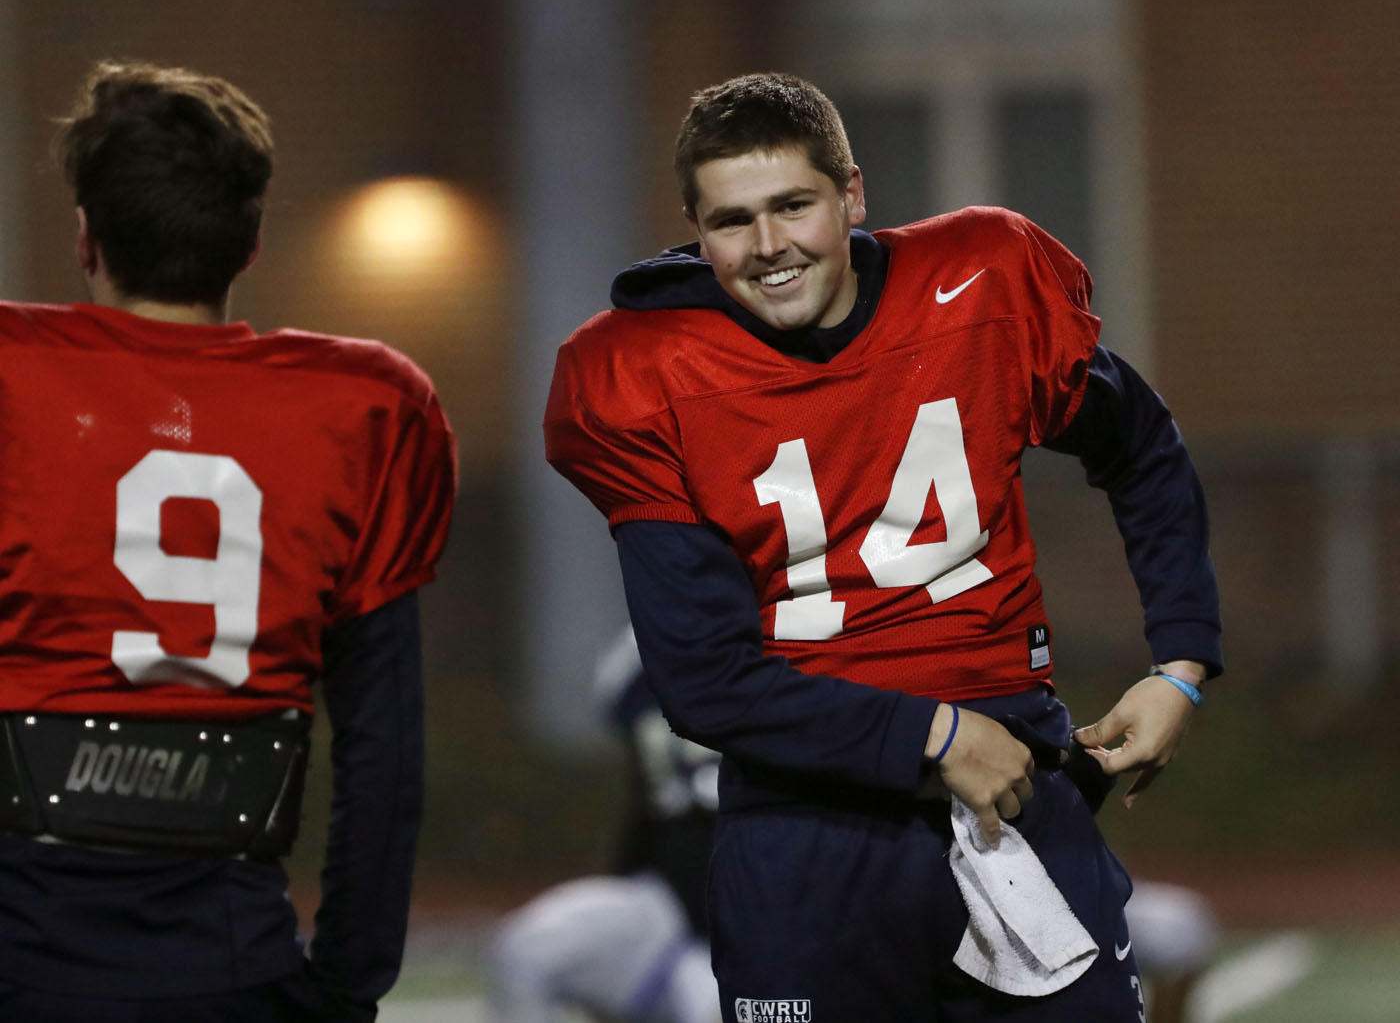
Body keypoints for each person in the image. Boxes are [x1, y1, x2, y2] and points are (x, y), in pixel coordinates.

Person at [545, 72, 1221, 1021]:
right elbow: (702, 681)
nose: (769, 246)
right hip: (806, 826)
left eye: (793, 205)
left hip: (1015, 789)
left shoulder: (981, 284)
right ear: (695, 230)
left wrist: (1179, 663)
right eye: (733, 220)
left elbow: (1143, 447)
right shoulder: (641, 371)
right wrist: (934, 735)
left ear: (852, 195)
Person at [0, 61, 456, 1021]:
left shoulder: (17, 382)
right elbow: (385, 755)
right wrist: (345, 990)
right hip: (230, 961)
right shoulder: (364, 409)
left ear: (86, 236)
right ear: (250, 242)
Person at [486, 625, 721, 1023]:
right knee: (525, 952)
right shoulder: (643, 657)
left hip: (763, 929)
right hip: (666, 910)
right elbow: (649, 806)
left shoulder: (801, 636)